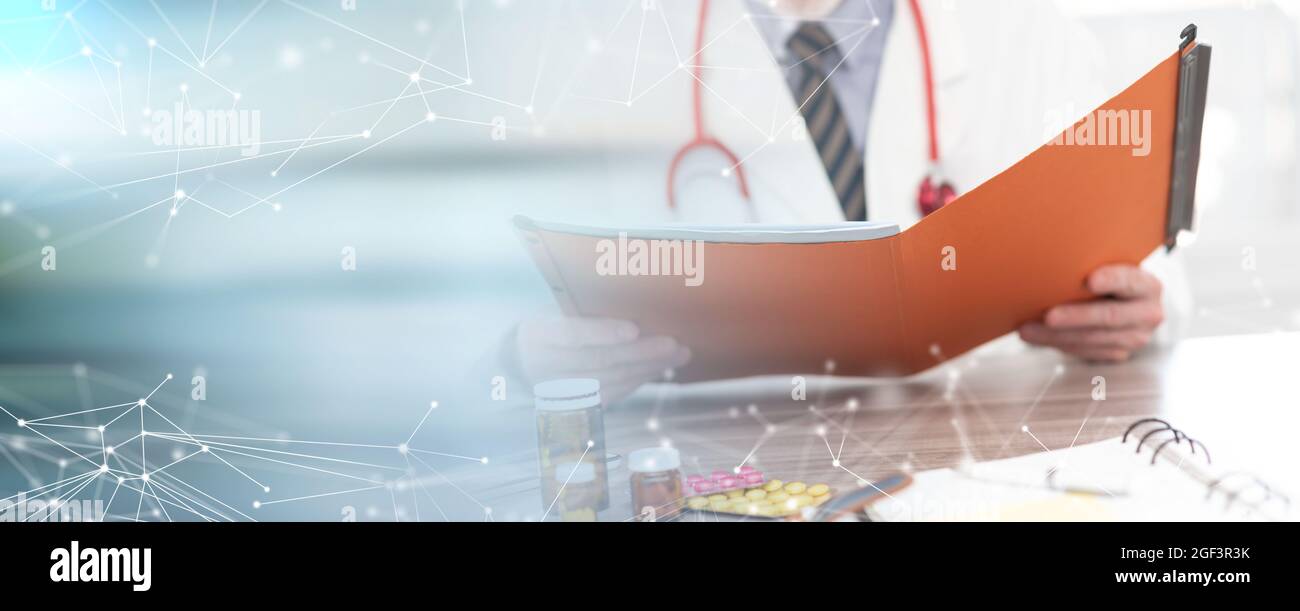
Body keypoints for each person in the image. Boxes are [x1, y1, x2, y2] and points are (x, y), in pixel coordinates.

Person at [511, 0, 1184, 402]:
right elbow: (490, 309)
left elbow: (1146, 252)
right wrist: (516, 357)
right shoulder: (601, 41)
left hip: (985, 441)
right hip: (737, 466)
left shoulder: (1017, 24)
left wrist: (1138, 308)